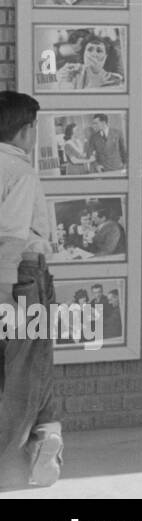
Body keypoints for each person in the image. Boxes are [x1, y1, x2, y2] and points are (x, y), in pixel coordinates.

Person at [0, 91, 62, 490]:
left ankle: (42, 450)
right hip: (20, 276)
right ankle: (8, 464)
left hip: (14, 276)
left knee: (23, 368)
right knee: (26, 371)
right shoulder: (21, 172)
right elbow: (10, 235)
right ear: (24, 131)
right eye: (34, 128)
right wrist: (6, 293)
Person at [56, 34, 124, 90]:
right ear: (84, 54)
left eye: (99, 51)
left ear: (106, 57)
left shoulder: (113, 79)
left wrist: (93, 87)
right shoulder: (73, 71)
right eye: (90, 49)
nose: (93, 54)